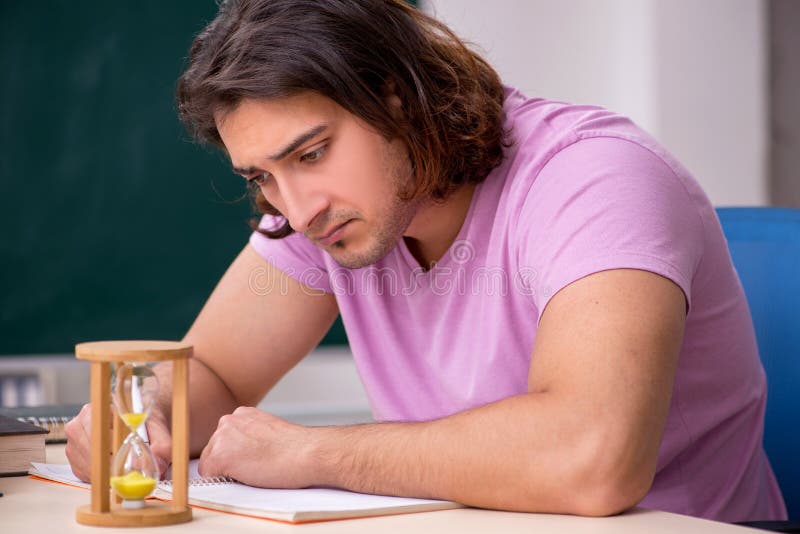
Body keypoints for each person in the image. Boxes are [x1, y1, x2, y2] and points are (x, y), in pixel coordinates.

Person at [65, 0, 786, 522]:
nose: (298, 205)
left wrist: (318, 454)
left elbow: (592, 460)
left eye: (312, 153)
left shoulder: (595, 178)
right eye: (262, 176)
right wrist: (141, 408)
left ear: (399, 97)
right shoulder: (332, 215)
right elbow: (213, 372)